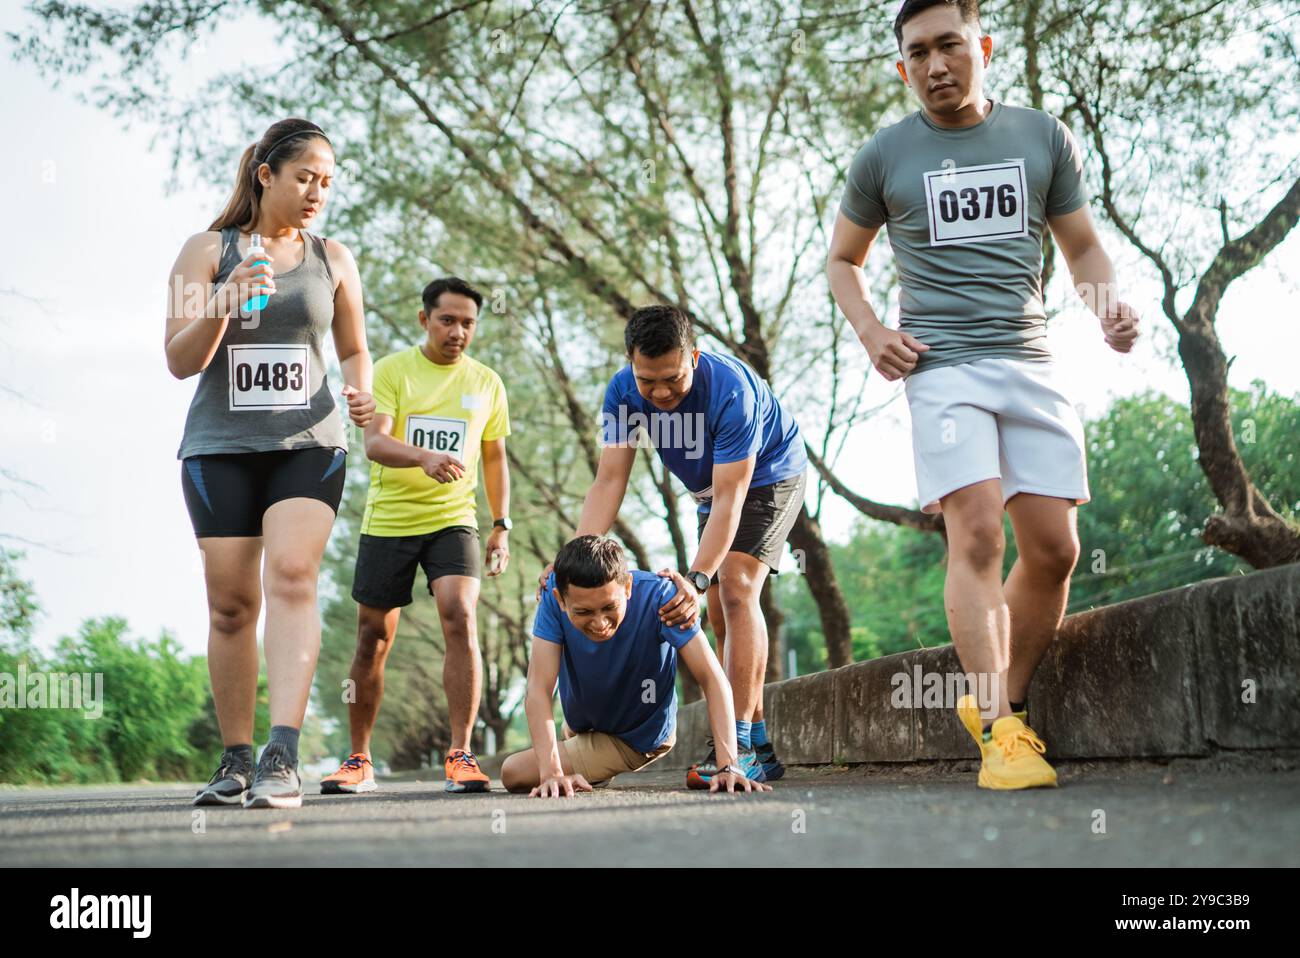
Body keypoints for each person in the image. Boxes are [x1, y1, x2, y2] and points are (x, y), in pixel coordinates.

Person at [826, 0, 1140, 789]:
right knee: (976, 533)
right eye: (917, 53)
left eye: (950, 46)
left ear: (983, 47)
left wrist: (1109, 309)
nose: (935, 66)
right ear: (902, 65)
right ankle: (1001, 734)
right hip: (941, 366)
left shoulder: (1041, 137)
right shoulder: (884, 156)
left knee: (1055, 548)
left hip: (1031, 361)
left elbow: (1081, 245)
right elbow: (842, 260)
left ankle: (1001, 700)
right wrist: (871, 333)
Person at [170, 118, 375, 809]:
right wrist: (224, 302)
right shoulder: (205, 250)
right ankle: (234, 759)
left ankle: (281, 752)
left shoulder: (333, 257)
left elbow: (354, 349)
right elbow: (178, 360)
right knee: (231, 604)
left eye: (327, 182)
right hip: (219, 447)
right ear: (267, 175)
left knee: (292, 575)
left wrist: (362, 391)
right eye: (305, 178)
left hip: (308, 443)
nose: (318, 192)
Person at [541, 305, 807, 786]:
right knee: (721, 615)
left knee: (736, 587)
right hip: (711, 488)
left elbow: (732, 497)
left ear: (695, 358)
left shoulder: (731, 392)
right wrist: (572, 560)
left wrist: (698, 578)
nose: (660, 393)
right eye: (648, 381)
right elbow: (609, 479)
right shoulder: (622, 391)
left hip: (767, 476)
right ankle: (762, 745)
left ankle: (738, 745)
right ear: (630, 364)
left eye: (673, 379)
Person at [320, 277, 511, 796]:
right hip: (390, 520)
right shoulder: (393, 371)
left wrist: (501, 525)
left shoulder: (488, 382)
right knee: (373, 638)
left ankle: (461, 753)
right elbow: (376, 444)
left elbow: (494, 456)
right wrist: (424, 457)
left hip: (455, 519)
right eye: (447, 320)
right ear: (424, 319)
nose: (458, 331)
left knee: (460, 613)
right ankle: (359, 759)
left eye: (468, 322)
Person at [503, 536, 769, 796]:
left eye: (609, 607)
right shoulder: (552, 596)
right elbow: (538, 688)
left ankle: (592, 766)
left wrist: (729, 765)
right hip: (582, 726)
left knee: (513, 772)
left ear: (628, 587)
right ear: (562, 600)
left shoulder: (662, 597)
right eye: (584, 612)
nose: (599, 622)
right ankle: (588, 767)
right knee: (548, 766)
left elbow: (713, 678)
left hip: (633, 738)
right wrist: (552, 774)